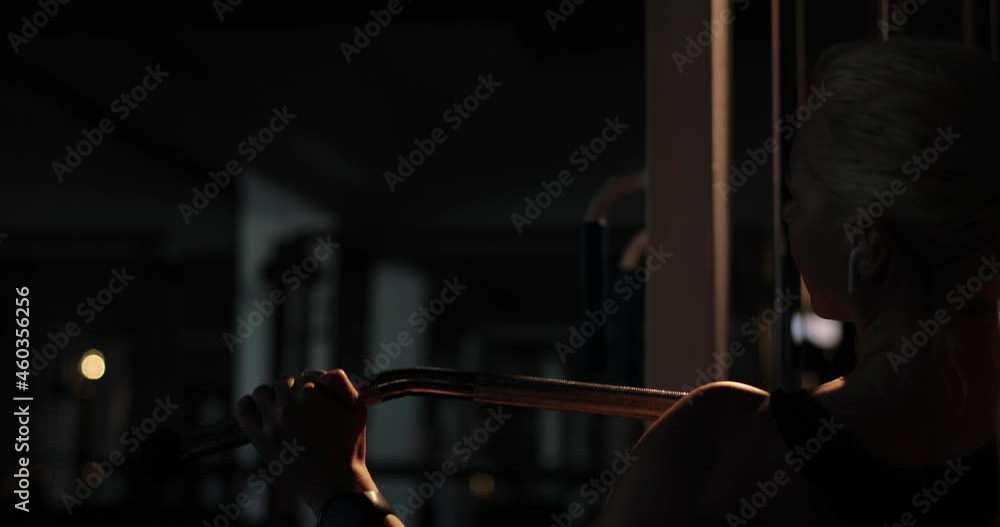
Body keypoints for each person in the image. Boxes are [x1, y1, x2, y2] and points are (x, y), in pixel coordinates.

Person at [235, 39, 1000, 526]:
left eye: (799, 194)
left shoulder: (720, 448)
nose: (789, 220)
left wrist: (342, 486)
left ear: (870, 241)